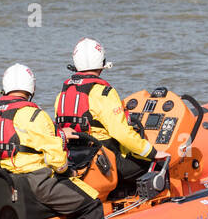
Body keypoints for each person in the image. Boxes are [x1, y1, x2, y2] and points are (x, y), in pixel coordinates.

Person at [0, 64, 106, 219]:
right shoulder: (35, 115)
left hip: (6, 180)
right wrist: (68, 171)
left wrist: (61, 135)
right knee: (92, 204)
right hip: (38, 183)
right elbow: (58, 161)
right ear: (31, 86)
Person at [53, 39, 157, 200]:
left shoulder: (62, 95)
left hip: (75, 160)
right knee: (155, 163)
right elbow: (122, 133)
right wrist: (152, 152)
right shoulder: (104, 93)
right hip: (105, 162)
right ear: (102, 63)